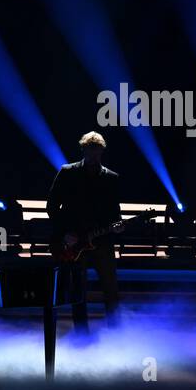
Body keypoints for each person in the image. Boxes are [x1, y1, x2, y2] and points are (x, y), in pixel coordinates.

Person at [47, 131, 123, 332]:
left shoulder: (111, 177)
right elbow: (52, 206)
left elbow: (115, 212)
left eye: (97, 151)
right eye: (90, 151)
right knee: (78, 291)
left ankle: (116, 335)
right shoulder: (68, 172)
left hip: (103, 242)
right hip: (74, 242)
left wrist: (118, 226)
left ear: (102, 151)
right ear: (83, 149)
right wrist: (64, 234)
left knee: (111, 291)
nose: (93, 155)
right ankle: (82, 334)